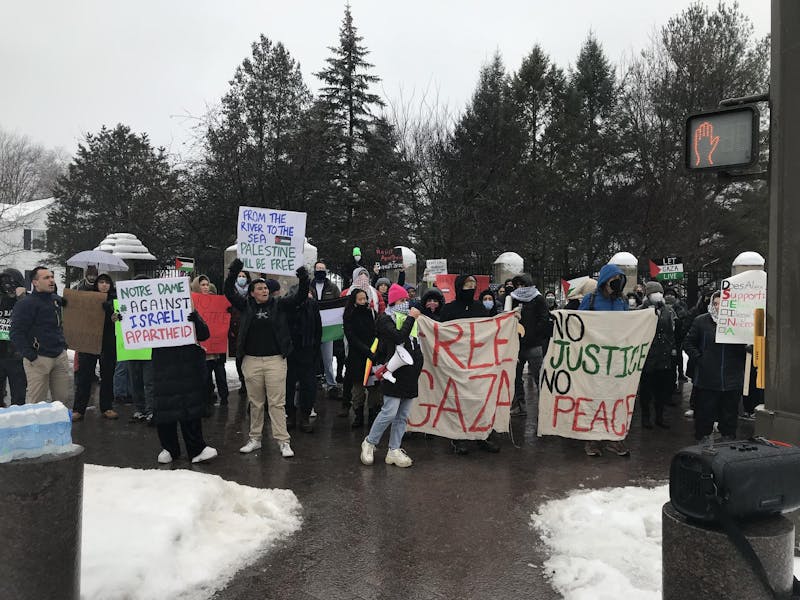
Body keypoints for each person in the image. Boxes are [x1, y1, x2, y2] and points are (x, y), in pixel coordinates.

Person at [225, 259, 307, 458]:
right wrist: (235, 270)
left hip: (275, 361)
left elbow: (300, 297)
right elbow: (228, 291)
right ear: (252, 292)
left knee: (277, 403)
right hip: (251, 361)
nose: (264, 291)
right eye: (259, 288)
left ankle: (283, 440)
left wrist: (303, 277)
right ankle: (255, 439)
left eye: (265, 288)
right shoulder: (245, 306)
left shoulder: (279, 305)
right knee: (256, 403)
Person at [359, 284, 423, 468]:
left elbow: (413, 342)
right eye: (402, 301)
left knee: (402, 415)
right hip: (393, 371)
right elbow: (399, 337)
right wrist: (411, 318)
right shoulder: (385, 319)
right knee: (389, 412)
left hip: (409, 372)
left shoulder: (407, 319)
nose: (405, 303)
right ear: (393, 302)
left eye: (406, 300)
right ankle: (370, 442)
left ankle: (394, 449)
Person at [440, 274, 497, 454]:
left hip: (477, 361)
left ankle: (482, 436)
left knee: (479, 400)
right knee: (458, 401)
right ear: (459, 287)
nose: (471, 287)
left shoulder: (480, 307)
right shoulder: (448, 309)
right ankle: (458, 438)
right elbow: (441, 333)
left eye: (473, 284)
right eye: (467, 284)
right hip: (455, 361)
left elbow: (488, 331)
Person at [151, 310, 217, 464]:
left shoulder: (187, 309)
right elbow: (137, 333)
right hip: (164, 366)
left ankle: (196, 448)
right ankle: (169, 448)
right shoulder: (150, 311)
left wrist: (196, 320)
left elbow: (204, 334)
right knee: (165, 408)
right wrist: (124, 319)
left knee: (190, 409)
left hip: (187, 366)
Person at [579, 263, 629, 457]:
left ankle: (614, 438)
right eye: (614, 279)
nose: (617, 283)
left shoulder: (622, 301)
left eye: (620, 280)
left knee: (615, 399)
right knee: (594, 399)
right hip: (594, 358)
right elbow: (577, 324)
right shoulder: (590, 299)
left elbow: (629, 325)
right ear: (605, 280)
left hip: (615, 358)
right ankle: (592, 439)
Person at [682, 291, 746, 444]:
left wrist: (747, 349)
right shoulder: (701, 321)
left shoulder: (738, 323)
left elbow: (745, 345)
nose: (718, 307)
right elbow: (688, 343)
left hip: (732, 378)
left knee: (729, 412)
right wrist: (700, 358)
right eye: (715, 303)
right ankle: (703, 437)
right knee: (705, 411)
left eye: (722, 304)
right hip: (707, 378)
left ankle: (728, 438)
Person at [10, 266, 70, 404]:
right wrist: (31, 356)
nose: (51, 280)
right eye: (46, 278)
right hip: (38, 358)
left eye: (52, 277)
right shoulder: (25, 304)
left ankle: (59, 426)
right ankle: (34, 426)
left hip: (59, 357)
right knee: (36, 404)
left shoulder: (56, 300)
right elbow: (16, 333)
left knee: (62, 402)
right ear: (35, 282)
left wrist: (64, 346)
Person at [72, 273, 119, 421]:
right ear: (96, 284)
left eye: (107, 282)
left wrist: (112, 313)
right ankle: (79, 409)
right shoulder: (89, 298)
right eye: (101, 282)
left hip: (109, 343)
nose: (104, 285)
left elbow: (123, 319)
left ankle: (107, 407)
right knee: (84, 376)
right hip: (90, 341)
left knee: (107, 376)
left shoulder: (117, 299)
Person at [508, 273, 550, 417]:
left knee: (539, 375)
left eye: (523, 284)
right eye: (518, 285)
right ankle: (519, 405)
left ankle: (545, 407)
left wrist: (534, 333)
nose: (520, 288)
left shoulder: (538, 298)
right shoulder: (512, 298)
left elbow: (545, 318)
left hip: (533, 344)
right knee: (515, 376)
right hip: (517, 345)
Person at [636, 281, 677, 429]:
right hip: (648, 356)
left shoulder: (667, 311)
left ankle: (660, 416)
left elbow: (670, 332)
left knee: (662, 390)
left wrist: (672, 348)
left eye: (660, 292)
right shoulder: (641, 310)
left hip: (663, 355)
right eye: (655, 292)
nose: (658, 295)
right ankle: (646, 418)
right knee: (646, 390)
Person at [285, 281, 322, 433]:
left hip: (307, 351)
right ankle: (291, 415)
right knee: (289, 386)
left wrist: (314, 349)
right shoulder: (287, 306)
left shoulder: (312, 306)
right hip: (290, 352)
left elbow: (318, 329)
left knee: (308, 386)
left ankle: (304, 416)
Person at [343, 288, 382, 428]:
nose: (363, 301)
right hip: (357, 358)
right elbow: (351, 337)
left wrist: (375, 351)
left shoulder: (372, 313)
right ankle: (358, 415)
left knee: (374, 389)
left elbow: (377, 332)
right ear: (354, 301)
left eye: (364, 298)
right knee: (358, 390)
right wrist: (367, 351)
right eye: (360, 299)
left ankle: (373, 414)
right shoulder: (349, 316)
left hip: (373, 357)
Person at [191, 274, 228, 408]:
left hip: (216, 347)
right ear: (197, 286)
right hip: (201, 348)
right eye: (202, 285)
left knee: (220, 374)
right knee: (204, 376)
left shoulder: (216, 301)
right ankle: (206, 399)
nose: (205, 287)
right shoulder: (191, 302)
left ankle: (224, 397)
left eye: (207, 284)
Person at [311, 261, 341, 397]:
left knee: (328, 359)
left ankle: (331, 385)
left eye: (322, 268)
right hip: (310, 327)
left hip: (328, 328)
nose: (320, 270)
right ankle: (311, 381)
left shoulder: (333, 287)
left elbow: (339, 305)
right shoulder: (307, 286)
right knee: (310, 357)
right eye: (318, 268)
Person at [0, 269, 27, 407]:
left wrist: (21, 298)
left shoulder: (24, 300)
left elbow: (30, 318)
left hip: (17, 356)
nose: (8, 288)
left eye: (11, 284)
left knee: (18, 397)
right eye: (5, 284)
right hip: (1, 353)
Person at [228, 268, 251, 398]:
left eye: (243, 276)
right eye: (239, 275)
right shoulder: (232, 292)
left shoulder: (251, 293)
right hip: (235, 329)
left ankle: (248, 381)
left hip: (248, 329)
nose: (241, 278)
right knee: (238, 358)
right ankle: (242, 380)